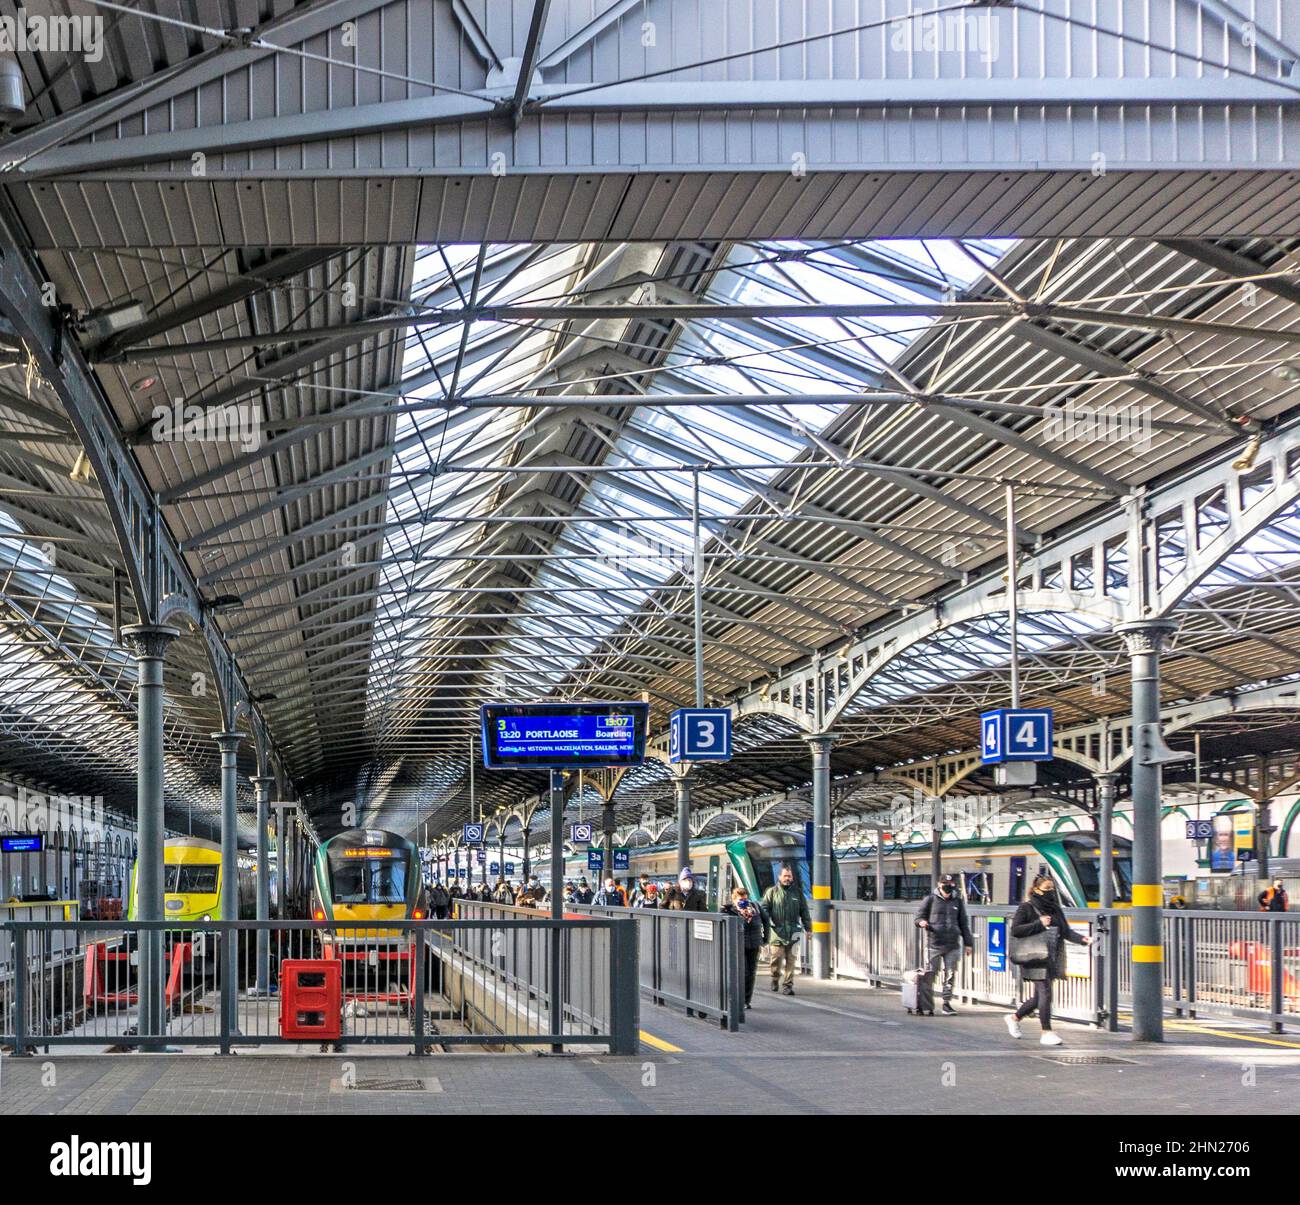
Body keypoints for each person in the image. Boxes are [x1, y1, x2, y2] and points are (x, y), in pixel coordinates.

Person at [1005, 874, 1092, 1047]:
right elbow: (1016, 930)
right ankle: (1046, 1032)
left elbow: (1066, 931)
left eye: (1052, 889)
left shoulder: (1056, 909)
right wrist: (1039, 923)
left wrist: (1083, 939)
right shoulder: (1026, 907)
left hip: (1051, 956)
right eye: (1046, 889)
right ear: (1036, 889)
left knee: (1039, 997)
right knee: (1045, 992)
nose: (1050, 892)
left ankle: (1014, 1018)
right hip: (1034, 956)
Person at [914, 873, 974, 1016]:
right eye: (945, 884)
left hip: (953, 944)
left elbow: (963, 923)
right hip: (934, 943)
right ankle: (926, 1004)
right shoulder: (930, 900)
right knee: (930, 975)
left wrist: (968, 943)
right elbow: (918, 917)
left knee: (950, 975)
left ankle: (946, 1003)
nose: (948, 886)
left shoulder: (957, 902)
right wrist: (921, 922)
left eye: (951, 884)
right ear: (939, 885)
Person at [761, 864, 811, 995]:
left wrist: (808, 929)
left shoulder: (798, 893)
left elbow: (804, 911)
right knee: (776, 960)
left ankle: (787, 985)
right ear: (779, 877)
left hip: (794, 933)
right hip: (777, 933)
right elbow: (764, 908)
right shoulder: (771, 892)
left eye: (789, 876)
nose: (787, 878)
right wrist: (768, 922)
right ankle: (775, 977)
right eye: (785, 876)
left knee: (791, 961)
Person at [723, 885, 769, 1009]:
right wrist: (726, 911)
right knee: (743, 972)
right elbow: (722, 922)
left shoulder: (755, 907)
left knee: (751, 973)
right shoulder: (730, 910)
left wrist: (766, 938)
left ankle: (746, 1000)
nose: (744, 901)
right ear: (734, 900)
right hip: (738, 944)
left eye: (745, 899)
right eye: (740, 899)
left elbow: (766, 920)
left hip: (754, 943)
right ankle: (738, 998)